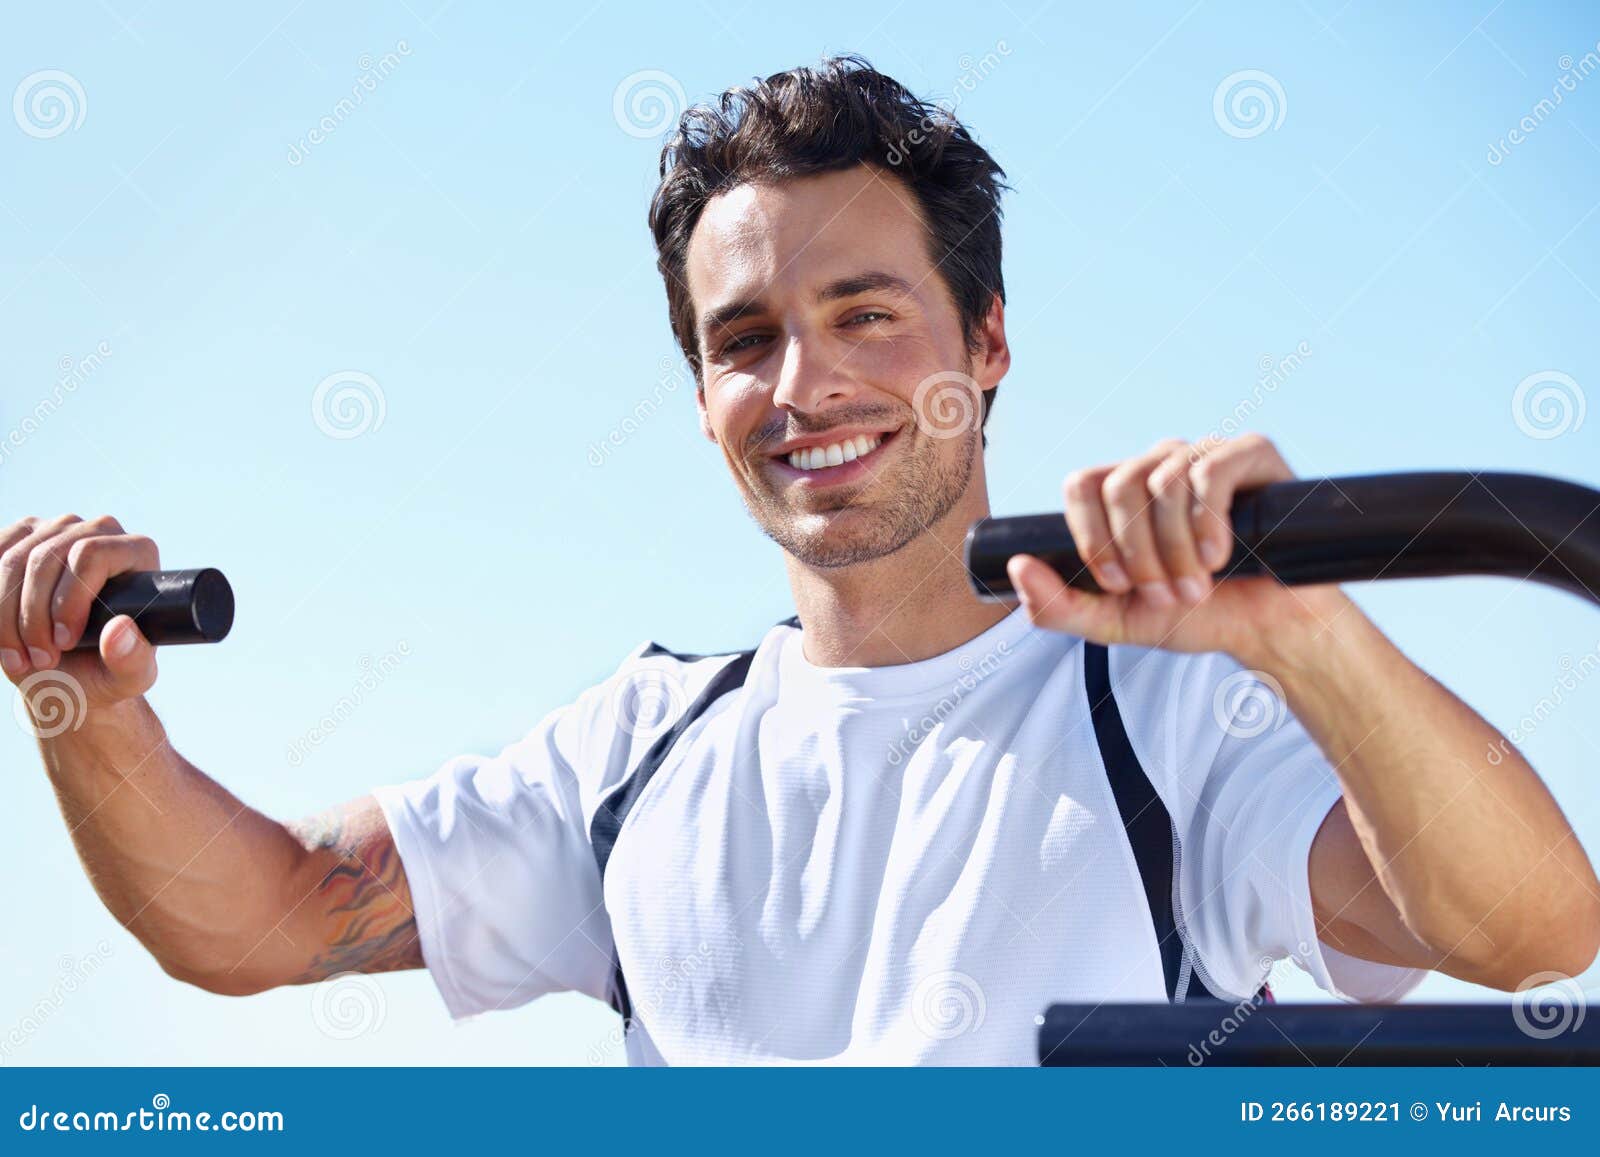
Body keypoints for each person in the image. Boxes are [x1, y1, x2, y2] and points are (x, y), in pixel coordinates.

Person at [7, 55, 1597, 1066]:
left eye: (865, 316)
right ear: (701, 403)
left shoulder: (1166, 714)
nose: (803, 387)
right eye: (745, 339)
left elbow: (1531, 934)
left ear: (984, 343)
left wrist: (1306, 636)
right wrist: (92, 708)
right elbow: (264, 917)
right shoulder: (637, 747)